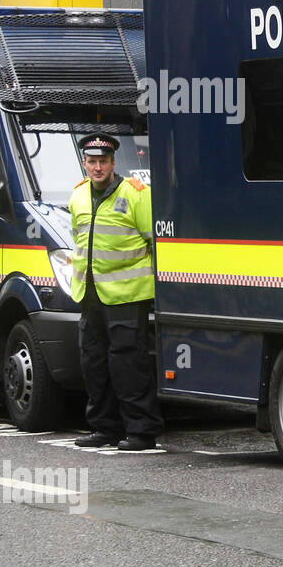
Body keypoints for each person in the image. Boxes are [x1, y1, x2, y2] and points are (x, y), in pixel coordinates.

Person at [69, 133, 164, 450]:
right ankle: (104, 427)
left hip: (127, 295)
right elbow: (79, 241)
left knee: (128, 364)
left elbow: (156, 243)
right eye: (92, 161)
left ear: (112, 163)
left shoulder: (136, 194)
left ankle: (141, 431)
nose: (97, 167)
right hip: (90, 293)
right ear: (85, 163)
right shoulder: (78, 196)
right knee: (93, 362)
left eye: (103, 162)